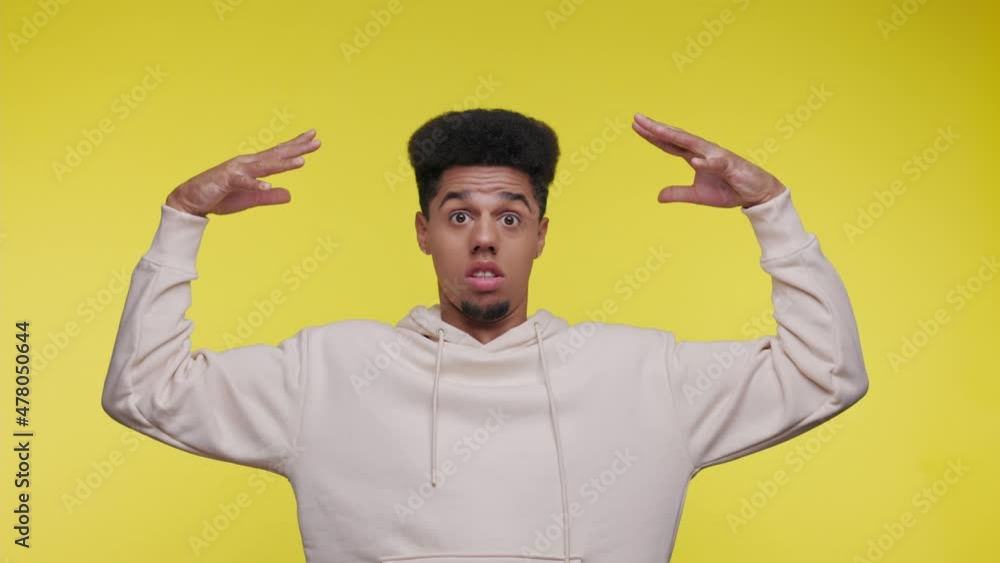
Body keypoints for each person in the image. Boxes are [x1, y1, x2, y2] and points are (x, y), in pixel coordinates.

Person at [101, 108, 869, 563]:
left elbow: (825, 373)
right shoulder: (330, 371)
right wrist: (182, 219)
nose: (484, 239)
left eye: (510, 216)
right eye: (459, 215)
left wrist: (772, 210)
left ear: (540, 236)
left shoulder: (643, 373)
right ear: (424, 233)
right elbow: (144, 391)